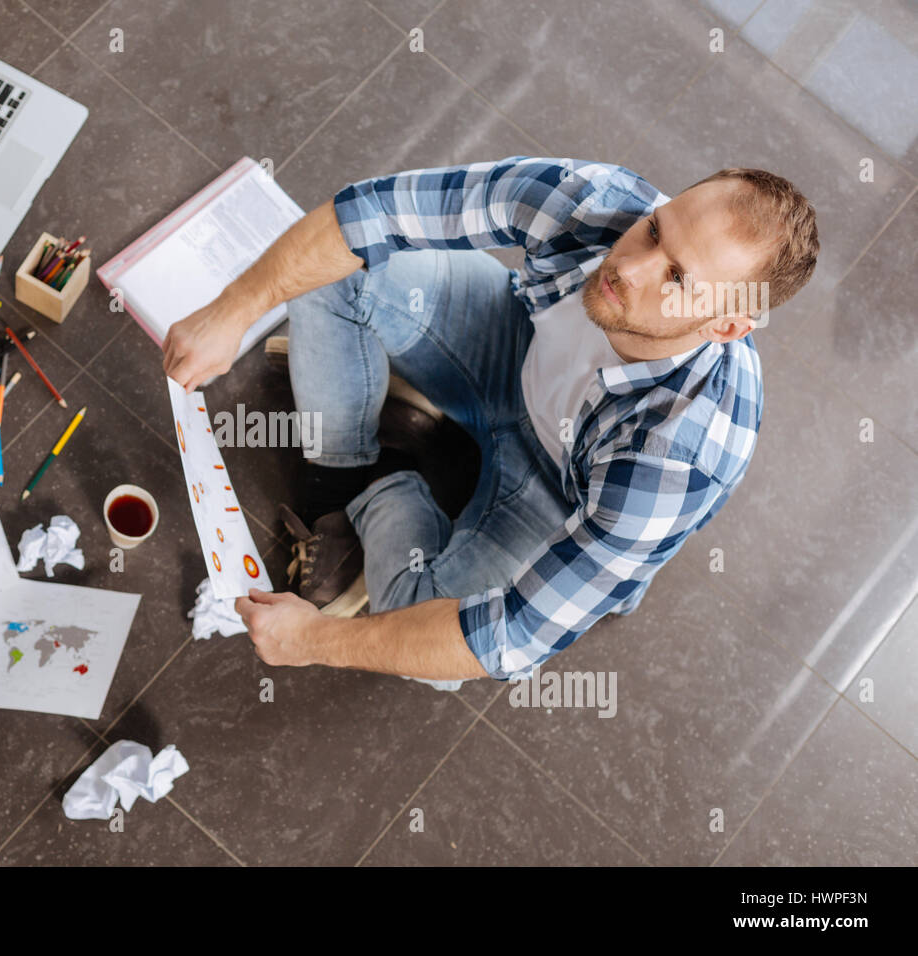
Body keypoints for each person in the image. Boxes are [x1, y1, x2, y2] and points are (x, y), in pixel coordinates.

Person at [162, 156, 818, 687]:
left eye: (677, 278)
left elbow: (502, 641)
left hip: (564, 495)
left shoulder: (672, 463)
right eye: (655, 229)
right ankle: (341, 475)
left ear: (728, 325)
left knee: (420, 634)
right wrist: (231, 311)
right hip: (513, 350)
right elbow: (369, 214)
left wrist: (314, 641)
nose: (629, 264)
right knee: (334, 276)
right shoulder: (593, 200)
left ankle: (388, 489)